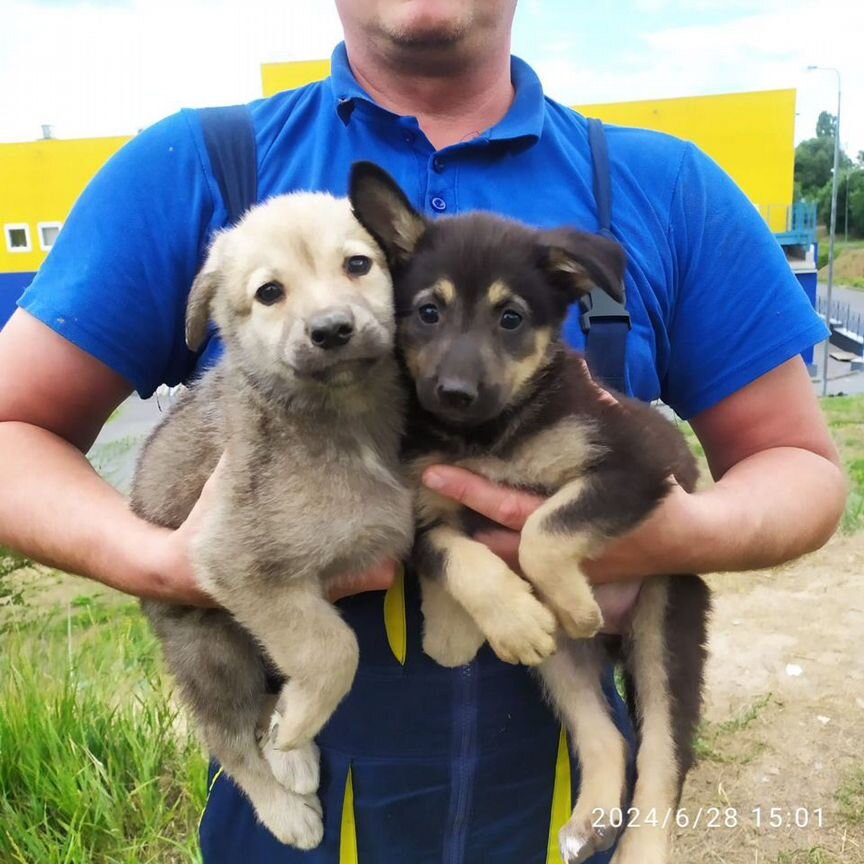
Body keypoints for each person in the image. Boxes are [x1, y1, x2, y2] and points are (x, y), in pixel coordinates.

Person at [0, 2, 847, 862]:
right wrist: (167, 564)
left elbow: (801, 465)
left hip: (559, 801)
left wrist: (672, 533)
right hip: (299, 812)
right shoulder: (194, 170)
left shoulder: (665, 187)